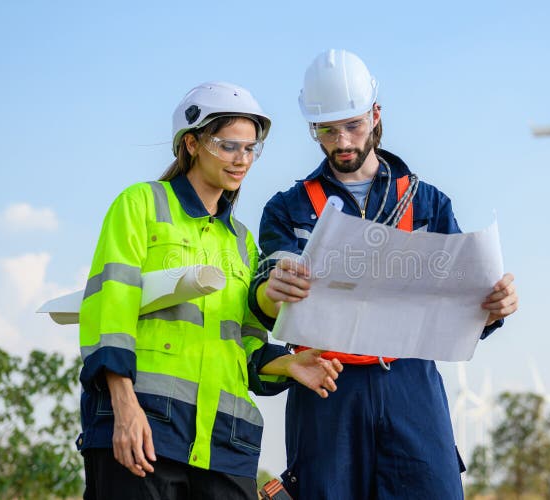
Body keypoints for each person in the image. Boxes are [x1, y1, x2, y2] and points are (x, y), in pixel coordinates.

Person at [247, 50, 519, 499]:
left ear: (375, 115)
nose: (342, 141)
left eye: (352, 125)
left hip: (411, 386)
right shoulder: (286, 209)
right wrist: (272, 287)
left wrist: (493, 310)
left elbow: (465, 304)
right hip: (326, 386)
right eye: (327, 130)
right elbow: (265, 292)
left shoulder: (428, 203)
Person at [77, 81, 342, 500]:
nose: (242, 160)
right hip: (146, 430)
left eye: (250, 148)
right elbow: (110, 307)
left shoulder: (243, 243)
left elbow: (248, 347)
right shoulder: (141, 206)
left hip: (225, 447)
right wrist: (124, 406)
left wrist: (288, 366)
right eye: (229, 146)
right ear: (192, 143)